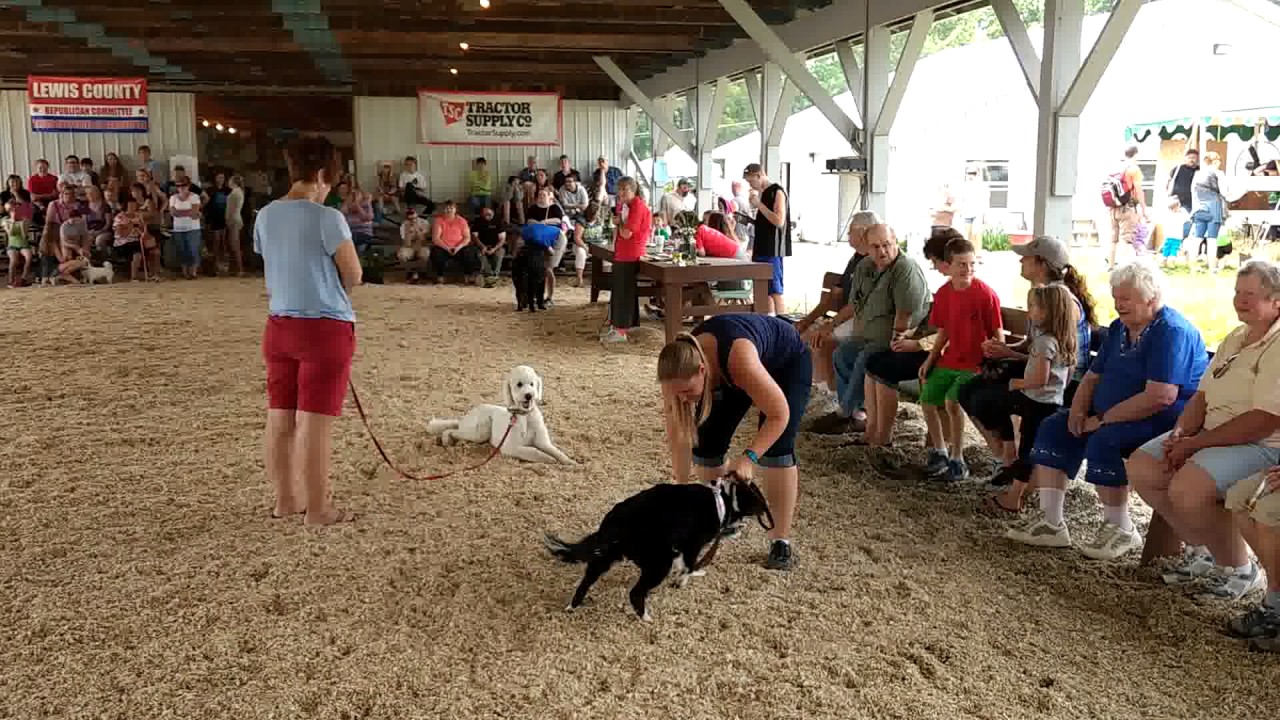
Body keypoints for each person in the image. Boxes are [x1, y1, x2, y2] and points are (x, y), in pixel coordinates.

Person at [1004, 262, 1208, 556]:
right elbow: (1091, 376)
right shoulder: (1120, 328)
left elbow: (1159, 396)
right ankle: (1051, 523)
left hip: (1163, 419)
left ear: (1151, 299)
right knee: (1055, 426)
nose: (1118, 304)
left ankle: (1121, 528)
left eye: (1126, 298)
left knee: (1105, 440)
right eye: (1115, 297)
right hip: (1110, 412)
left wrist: (1100, 420)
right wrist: (1077, 410)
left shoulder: (1171, 331)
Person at [1126, 260, 1280, 594]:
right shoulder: (1236, 336)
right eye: (1238, 292)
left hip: (1261, 443)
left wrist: (1195, 445)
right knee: (1143, 467)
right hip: (1212, 433)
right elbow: (1202, 396)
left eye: (1251, 295)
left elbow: (1264, 419)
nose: (1240, 300)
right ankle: (1211, 552)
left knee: (1187, 487)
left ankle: (1240, 570)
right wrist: (1181, 433)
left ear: (1276, 301)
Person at [254, 135, 362, 526]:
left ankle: (286, 500)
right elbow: (354, 274)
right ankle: (318, 509)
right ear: (320, 175)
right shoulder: (327, 217)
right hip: (324, 329)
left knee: (280, 416)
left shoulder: (265, 215)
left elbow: (274, 269)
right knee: (314, 421)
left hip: (279, 324)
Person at [657, 314, 812, 570]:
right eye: (676, 393)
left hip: (787, 362)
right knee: (706, 442)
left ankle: (780, 542)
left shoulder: (738, 361)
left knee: (776, 448)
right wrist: (680, 491)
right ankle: (724, 516)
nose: (682, 399)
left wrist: (749, 458)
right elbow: (679, 436)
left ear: (703, 371)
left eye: (687, 392)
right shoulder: (675, 371)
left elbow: (779, 414)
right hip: (732, 370)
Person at [962, 234, 1096, 488]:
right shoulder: (1041, 296)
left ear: (1042, 264)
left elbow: (1055, 358)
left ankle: (1011, 462)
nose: (1021, 261)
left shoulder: (1060, 302)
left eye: (1026, 257)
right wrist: (1005, 350)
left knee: (985, 395)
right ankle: (1008, 458)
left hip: (1064, 383)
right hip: (1042, 368)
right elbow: (1032, 345)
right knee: (972, 387)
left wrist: (1013, 362)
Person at [810, 224, 930, 438]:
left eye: (887, 245)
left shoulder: (905, 268)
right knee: (842, 353)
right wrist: (831, 324)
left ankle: (844, 413)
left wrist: (897, 340)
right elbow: (855, 305)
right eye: (876, 246)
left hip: (899, 337)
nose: (882, 251)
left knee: (867, 357)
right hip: (868, 335)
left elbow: (906, 314)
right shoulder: (866, 265)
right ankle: (857, 414)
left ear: (896, 242)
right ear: (867, 247)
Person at [972, 285, 1079, 510]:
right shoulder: (1065, 340)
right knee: (1024, 439)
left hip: (1036, 401)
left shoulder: (1044, 342)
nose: (1029, 311)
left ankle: (1013, 496)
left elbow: (1040, 377)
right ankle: (1016, 478)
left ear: (1048, 311)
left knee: (1026, 449)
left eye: (1034, 307)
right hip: (1051, 402)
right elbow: (1066, 375)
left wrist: (1017, 383)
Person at [862, 227, 960, 450]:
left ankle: (934, 444)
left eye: (935, 261)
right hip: (932, 349)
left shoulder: (962, 290)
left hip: (950, 355)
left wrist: (915, 344)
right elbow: (935, 324)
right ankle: (876, 432)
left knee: (884, 366)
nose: (933, 266)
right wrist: (910, 336)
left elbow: (956, 334)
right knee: (876, 362)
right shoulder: (948, 289)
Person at [918, 237, 1003, 481]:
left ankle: (958, 458)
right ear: (949, 266)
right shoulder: (944, 294)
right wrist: (931, 359)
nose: (968, 269)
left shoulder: (985, 294)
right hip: (951, 360)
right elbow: (943, 330)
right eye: (962, 264)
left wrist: (996, 362)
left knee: (952, 402)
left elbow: (997, 333)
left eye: (972, 264)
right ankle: (940, 451)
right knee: (927, 399)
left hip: (976, 364)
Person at [795, 211, 880, 395]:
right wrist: (808, 320)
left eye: (850, 230)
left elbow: (856, 306)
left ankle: (828, 393)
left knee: (821, 339)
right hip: (846, 317)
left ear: (863, 232)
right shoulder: (856, 258)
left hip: (862, 319)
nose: (848, 235)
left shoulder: (872, 262)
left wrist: (829, 325)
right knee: (804, 335)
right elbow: (833, 296)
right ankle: (817, 388)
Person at [601, 177, 650, 344]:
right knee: (622, 290)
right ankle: (620, 326)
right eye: (620, 189)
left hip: (630, 253)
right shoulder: (626, 206)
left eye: (625, 189)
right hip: (623, 252)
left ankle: (620, 331)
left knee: (623, 292)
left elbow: (627, 233)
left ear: (634, 190)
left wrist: (618, 222)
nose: (621, 193)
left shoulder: (637, 207)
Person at [744, 163, 789, 315]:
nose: (751, 185)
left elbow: (779, 220)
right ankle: (769, 321)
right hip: (761, 245)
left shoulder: (777, 192)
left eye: (751, 181)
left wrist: (759, 205)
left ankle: (783, 322)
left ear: (759, 175)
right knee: (764, 289)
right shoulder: (762, 193)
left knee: (775, 289)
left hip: (772, 248)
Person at [1106, 145, 1148, 271]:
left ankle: (1111, 266)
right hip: (1127, 208)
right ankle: (1123, 267)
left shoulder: (1117, 168)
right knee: (1127, 238)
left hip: (1113, 207)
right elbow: (1138, 189)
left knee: (1113, 239)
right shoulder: (1133, 169)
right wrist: (1144, 208)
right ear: (1136, 154)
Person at [526, 187, 567, 305]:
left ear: (550, 196)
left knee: (548, 268)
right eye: (540, 194)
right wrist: (538, 223)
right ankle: (537, 295)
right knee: (539, 268)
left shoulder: (554, 207)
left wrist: (545, 222)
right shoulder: (533, 208)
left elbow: (559, 220)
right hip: (539, 239)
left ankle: (549, 297)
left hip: (556, 239)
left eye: (544, 194)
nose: (541, 196)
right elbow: (529, 221)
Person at [1188, 150, 1228, 272]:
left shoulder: (1197, 174)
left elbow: (1193, 192)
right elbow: (1224, 191)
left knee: (1197, 239)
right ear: (1215, 161)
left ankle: (1192, 268)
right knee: (1212, 239)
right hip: (1213, 208)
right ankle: (1212, 268)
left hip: (1199, 209)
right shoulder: (1218, 173)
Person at [430, 199, 480, 285]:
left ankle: (468, 276)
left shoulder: (462, 221)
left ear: (455, 209)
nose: (449, 210)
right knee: (436, 253)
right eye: (446, 208)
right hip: (443, 247)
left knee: (469, 252)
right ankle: (440, 276)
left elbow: (467, 238)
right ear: (443, 209)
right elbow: (436, 239)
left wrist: (458, 247)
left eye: (451, 208)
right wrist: (447, 248)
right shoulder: (438, 220)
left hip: (459, 247)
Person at [169, 181, 203, 279]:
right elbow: (173, 213)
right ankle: (184, 272)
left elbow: (195, 212)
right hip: (178, 228)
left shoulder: (194, 196)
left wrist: (181, 212)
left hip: (193, 227)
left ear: (188, 186)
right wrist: (190, 212)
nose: (181, 187)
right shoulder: (173, 198)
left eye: (183, 185)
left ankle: (193, 272)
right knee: (182, 250)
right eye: (179, 185)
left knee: (193, 249)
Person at [471, 205, 506, 287]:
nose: (486, 214)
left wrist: (494, 249)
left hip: (496, 246)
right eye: (484, 213)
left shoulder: (499, 221)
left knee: (500, 253)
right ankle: (490, 275)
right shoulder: (478, 221)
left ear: (493, 213)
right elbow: (474, 237)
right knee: (480, 254)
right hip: (481, 246)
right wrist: (482, 246)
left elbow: (502, 240)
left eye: (489, 213)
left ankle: (494, 276)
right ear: (482, 214)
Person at [4, 199, 32, 287]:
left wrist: (22, 224)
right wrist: (13, 221)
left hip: (23, 244)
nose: (15, 211)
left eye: (16, 209)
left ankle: (23, 279)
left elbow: (24, 236)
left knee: (29, 257)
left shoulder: (25, 220)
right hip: (12, 245)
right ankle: (11, 281)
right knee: (14, 260)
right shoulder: (5, 220)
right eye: (12, 210)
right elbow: (10, 234)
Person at [225, 175, 247, 276]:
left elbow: (231, 210)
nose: (228, 182)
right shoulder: (237, 192)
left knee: (235, 245)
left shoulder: (235, 192)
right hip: (235, 219)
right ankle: (234, 268)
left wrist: (228, 220)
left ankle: (240, 269)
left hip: (234, 220)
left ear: (234, 182)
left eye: (230, 180)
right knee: (233, 245)